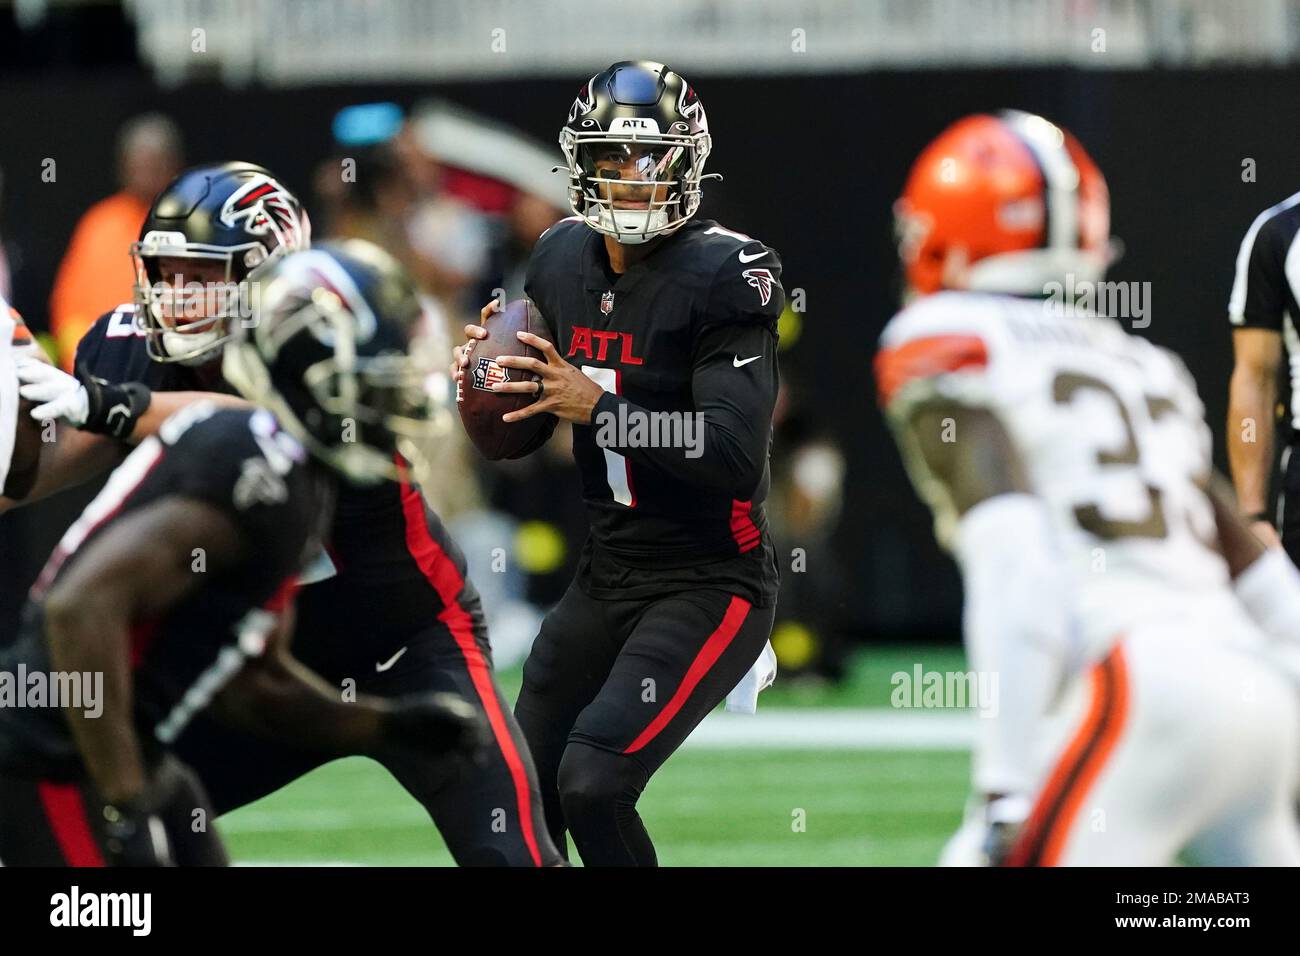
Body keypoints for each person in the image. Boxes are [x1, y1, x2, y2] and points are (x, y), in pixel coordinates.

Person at [9, 162, 562, 867]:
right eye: (166, 272)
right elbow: (39, 468)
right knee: (126, 836)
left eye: (203, 275)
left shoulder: (320, 347)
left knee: (515, 856)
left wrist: (121, 406)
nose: (178, 297)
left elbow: (271, 422)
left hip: (406, 637)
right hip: (255, 666)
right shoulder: (132, 355)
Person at [876, 110, 1300, 865]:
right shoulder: (1140, 362)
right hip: (1257, 695)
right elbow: (1254, 567)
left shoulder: (947, 337)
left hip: (1142, 683)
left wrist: (1005, 783)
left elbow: (1015, 556)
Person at [454, 60, 782, 866]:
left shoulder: (727, 276)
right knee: (517, 793)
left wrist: (596, 408)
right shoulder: (559, 260)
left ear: (686, 166)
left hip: (710, 581)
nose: (631, 182)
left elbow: (734, 455)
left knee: (594, 782)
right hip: (606, 573)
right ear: (581, 164)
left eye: (650, 162)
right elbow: (520, 415)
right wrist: (490, 371)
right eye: (612, 161)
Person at [48, 113, 183, 368]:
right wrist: (85, 358)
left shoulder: (190, 222)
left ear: (173, 165)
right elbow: (67, 309)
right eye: (137, 163)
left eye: (154, 163)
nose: (144, 172)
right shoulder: (99, 224)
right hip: (100, 371)